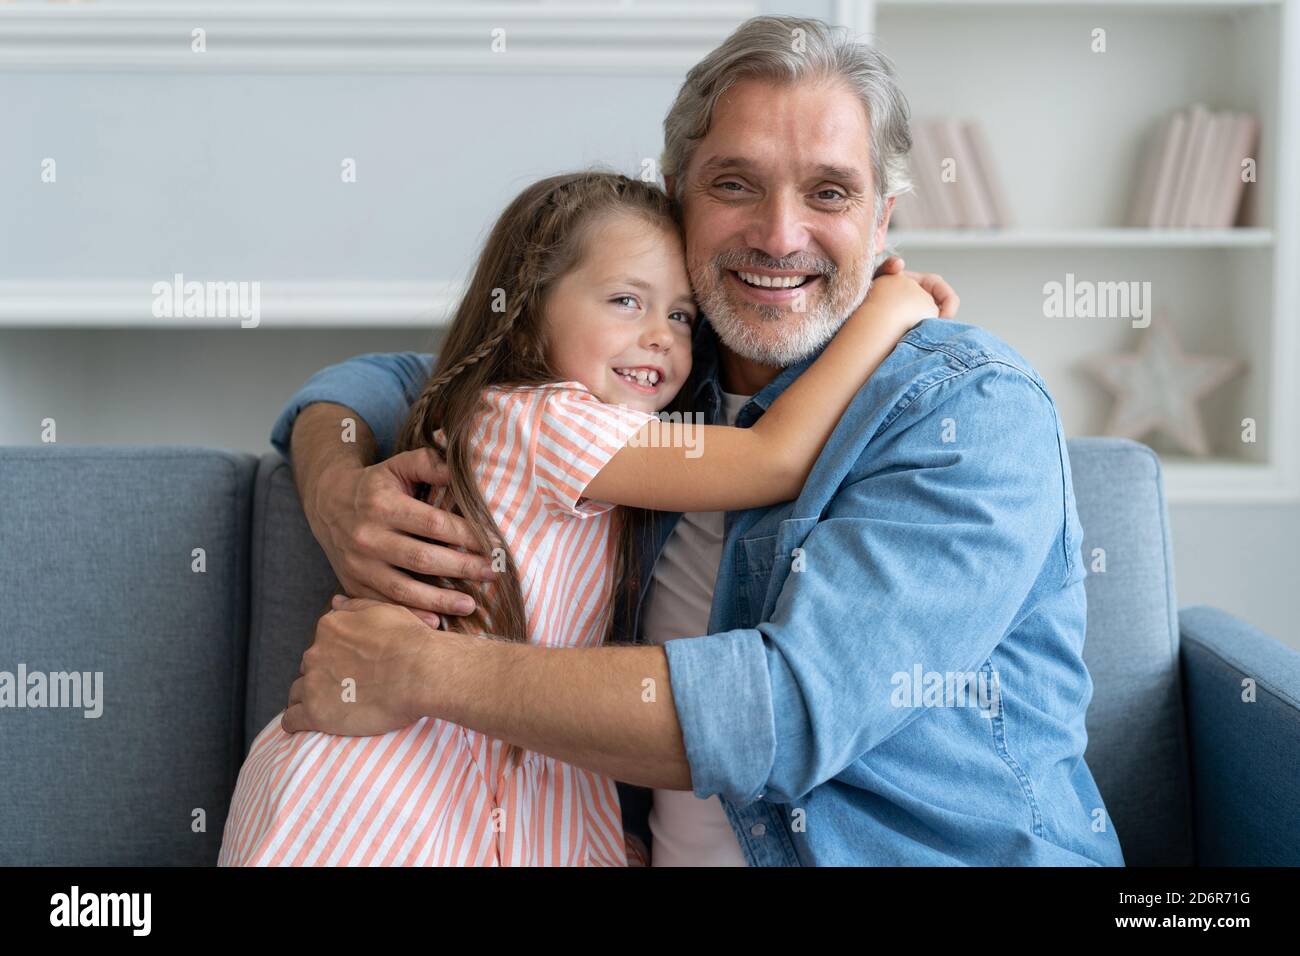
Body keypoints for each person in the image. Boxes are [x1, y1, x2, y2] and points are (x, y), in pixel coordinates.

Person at [266, 15, 1125, 866]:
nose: (780, 236)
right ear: (678, 197)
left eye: (829, 192)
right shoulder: (663, 370)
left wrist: (422, 672)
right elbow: (398, 380)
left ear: (882, 220)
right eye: (735, 185)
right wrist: (336, 486)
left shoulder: (967, 406)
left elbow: (785, 712)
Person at [218, 170, 939, 866]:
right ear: (528, 313)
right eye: (627, 301)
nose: (661, 335)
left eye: (682, 315)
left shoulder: (576, 414)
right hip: (392, 776)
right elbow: (772, 458)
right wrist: (883, 314)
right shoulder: (544, 419)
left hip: (500, 768)